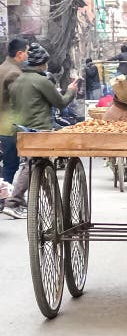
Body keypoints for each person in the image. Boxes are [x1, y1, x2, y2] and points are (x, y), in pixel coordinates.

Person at [2, 43, 78, 219]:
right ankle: (14, 201)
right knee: (34, 164)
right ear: (42, 63)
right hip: (39, 130)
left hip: (19, 129)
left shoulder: (17, 79)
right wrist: (71, 91)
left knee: (37, 164)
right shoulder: (41, 81)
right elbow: (60, 103)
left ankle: (52, 205)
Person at [0, 38, 29, 196]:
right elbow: (20, 101)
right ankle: (6, 199)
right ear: (19, 54)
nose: (27, 56)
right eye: (27, 52)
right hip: (8, 126)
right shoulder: (14, 73)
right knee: (10, 166)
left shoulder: (2, 68)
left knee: (5, 165)